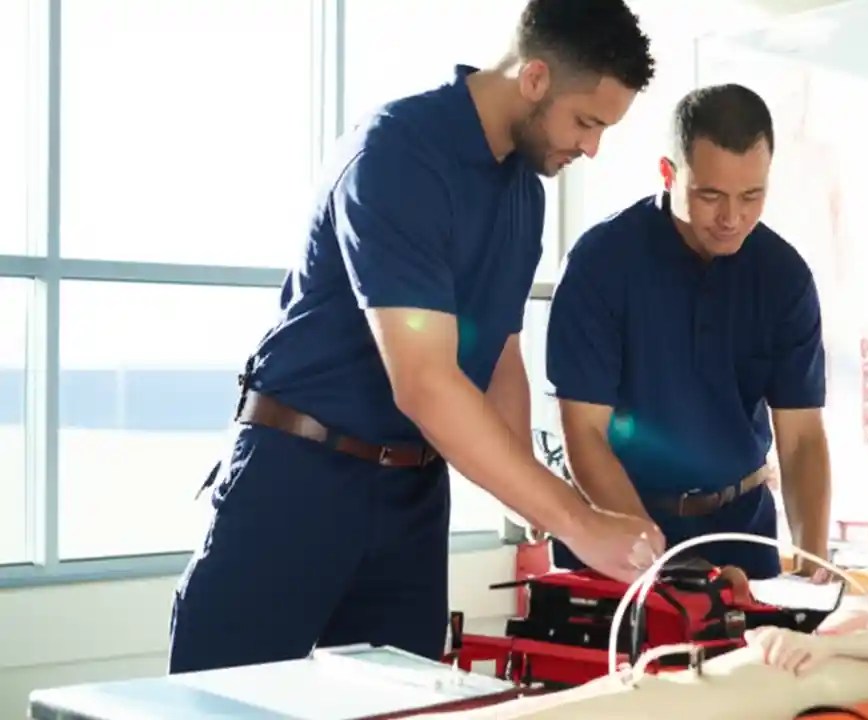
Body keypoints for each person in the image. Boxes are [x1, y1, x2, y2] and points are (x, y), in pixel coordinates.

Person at [168, 0, 661, 674]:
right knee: (221, 705)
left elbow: (499, 356)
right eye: (587, 121)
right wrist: (580, 520)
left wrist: (530, 498)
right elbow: (425, 382)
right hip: (300, 474)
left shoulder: (526, 193)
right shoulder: (399, 151)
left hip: (411, 499)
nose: (592, 147)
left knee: (402, 702)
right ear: (537, 78)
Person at [544, 84, 831, 581]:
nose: (732, 218)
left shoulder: (784, 277)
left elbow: (803, 439)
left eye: (751, 196)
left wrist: (812, 565)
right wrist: (666, 567)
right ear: (668, 173)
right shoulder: (602, 264)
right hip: (616, 529)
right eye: (710, 195)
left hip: (741, 532)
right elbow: (585, 433)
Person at [429, 550, 868, 720]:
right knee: (630, 696)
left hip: (830, 673)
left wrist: (836, 645)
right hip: (810, 660)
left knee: (638, 707)